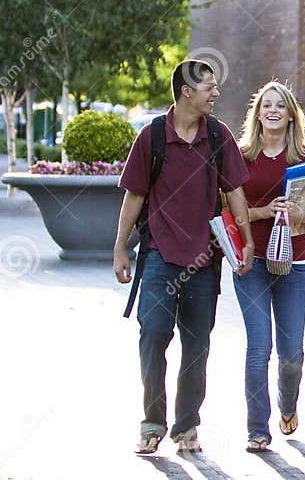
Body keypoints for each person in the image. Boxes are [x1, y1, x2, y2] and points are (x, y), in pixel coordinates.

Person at [114, 59, 254, 455]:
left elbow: (235, 192)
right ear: (186, 91)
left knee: (197, 345)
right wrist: (120, 247)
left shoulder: (219, 135)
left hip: (204, 260)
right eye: (209, 86)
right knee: (153, 334)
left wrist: (245, 240)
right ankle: (152, 422)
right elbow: (135, 194)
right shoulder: (153, 136)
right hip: (159, 254)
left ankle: (187, 426)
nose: (216, 93)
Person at [234, 81, 305, 452]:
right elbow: (225, 208)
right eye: (267, 105)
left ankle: (288, 403)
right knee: (258, 345)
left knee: (291, 352)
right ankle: (256, 429)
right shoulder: (241, 155)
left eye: (281, 105)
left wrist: (300, 214)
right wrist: (264, 211)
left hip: (294, 264)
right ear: (258, 113)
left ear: (292, 113)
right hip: (251, 263)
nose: (273, 110)